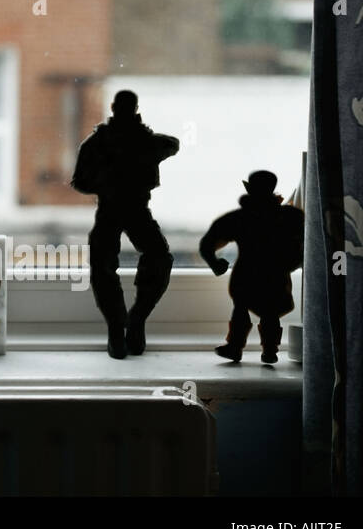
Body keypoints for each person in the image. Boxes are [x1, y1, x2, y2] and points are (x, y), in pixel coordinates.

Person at [70, 90, 180, 359]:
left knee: (156, 258)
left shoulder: (105, 142)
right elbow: (80, 181)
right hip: (114, 209)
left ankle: (134, 321)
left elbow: (172, 144)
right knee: (104, 265)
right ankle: (118, 328)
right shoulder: (101, 143)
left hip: (133, 209)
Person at [199, 170, 304, 363]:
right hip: (273, 273)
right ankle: (267, 350)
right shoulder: (290, 217)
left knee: (245, 309)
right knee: (267, 312)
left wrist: (215, 263)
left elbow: (208, 243)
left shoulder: (241, 218)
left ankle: (239, 347)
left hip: (248, 273)